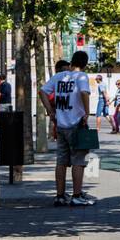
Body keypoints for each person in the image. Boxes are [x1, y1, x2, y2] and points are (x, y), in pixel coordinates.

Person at [39, 50, 95, 206]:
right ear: (85, 63)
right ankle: (77, 195)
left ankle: (60, 195)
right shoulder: (81, 76)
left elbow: (42, 91)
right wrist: (86, 112)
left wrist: (50, 110)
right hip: (77, 123)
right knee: (79, 160)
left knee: (61, 161)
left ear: (72, 61)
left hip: (61, 124)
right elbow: (84, 92)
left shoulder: (59, 77)